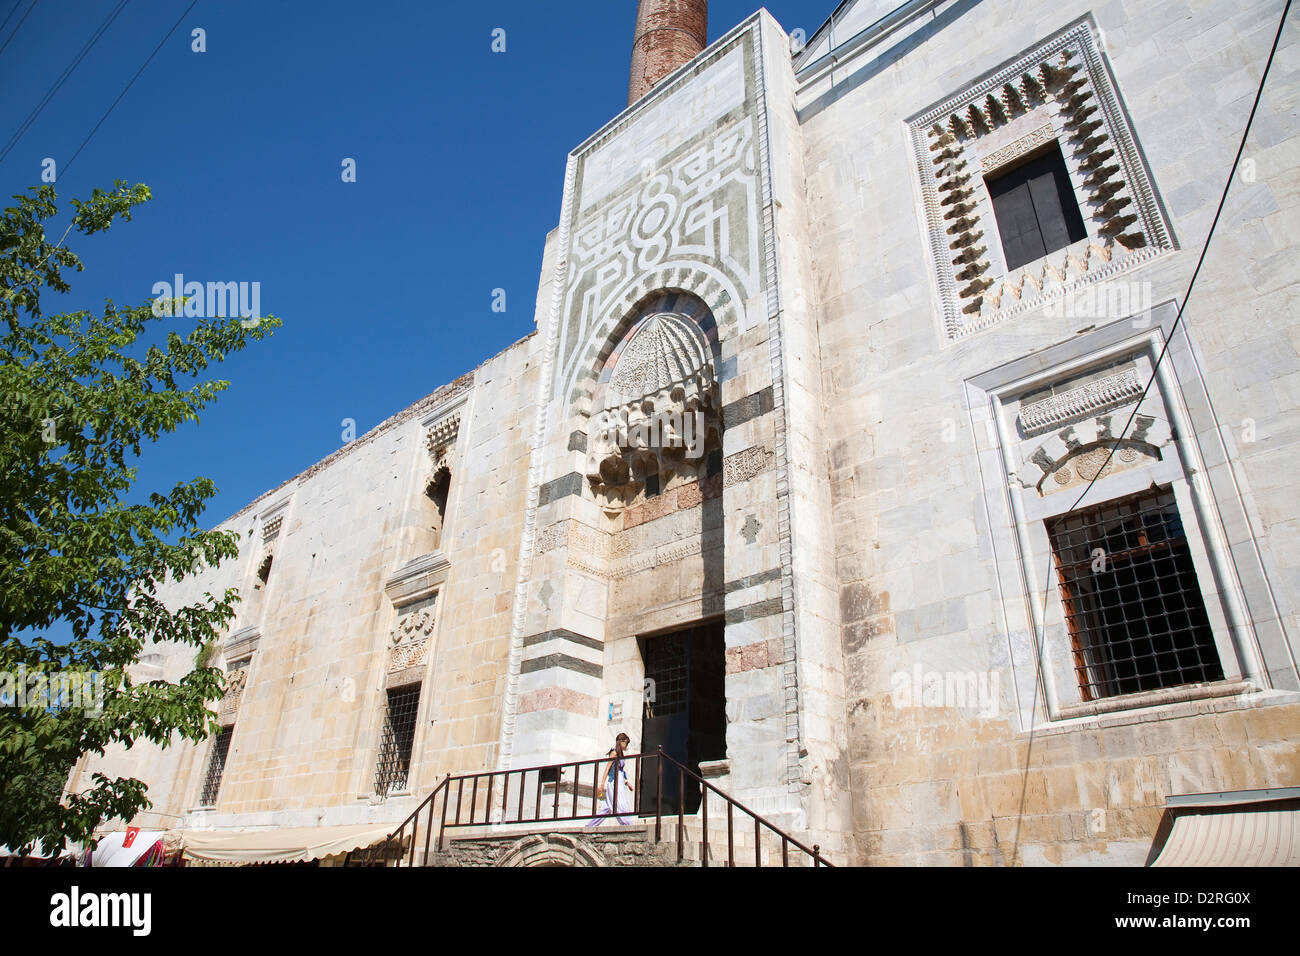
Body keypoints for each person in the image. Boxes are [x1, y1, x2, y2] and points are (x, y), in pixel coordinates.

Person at [585, 733, 634, 826]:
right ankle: (626, 824)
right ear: (621, 742)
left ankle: (590, 825)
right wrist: (602, 784)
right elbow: (607, 768)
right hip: (614, 782)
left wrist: (627, 783)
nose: (626, 746)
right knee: (619, 803)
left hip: (619, 781)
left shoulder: (620, 753)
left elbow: (621, 772)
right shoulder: (614, 752)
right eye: (626, 743)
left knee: (607, 808)